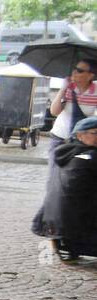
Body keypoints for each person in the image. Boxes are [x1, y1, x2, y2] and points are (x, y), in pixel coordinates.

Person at [34, 58, 97, 240]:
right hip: (61, 139)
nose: (75, 73)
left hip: (83, 142)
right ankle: (49, 224)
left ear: (91, 75)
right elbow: (54, 111)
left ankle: (71, 223)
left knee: (77, 182)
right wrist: (63, 90)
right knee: (54, 180)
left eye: (80, 70)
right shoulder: (69, 89)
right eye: (75, 69)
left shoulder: (95, 92)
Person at [51, 115, 97, 261]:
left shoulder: (68, 152)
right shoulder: (90, 156)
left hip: (60, 225)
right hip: (78, 225)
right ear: (79, 135)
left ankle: (64, 244)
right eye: (95, 133)